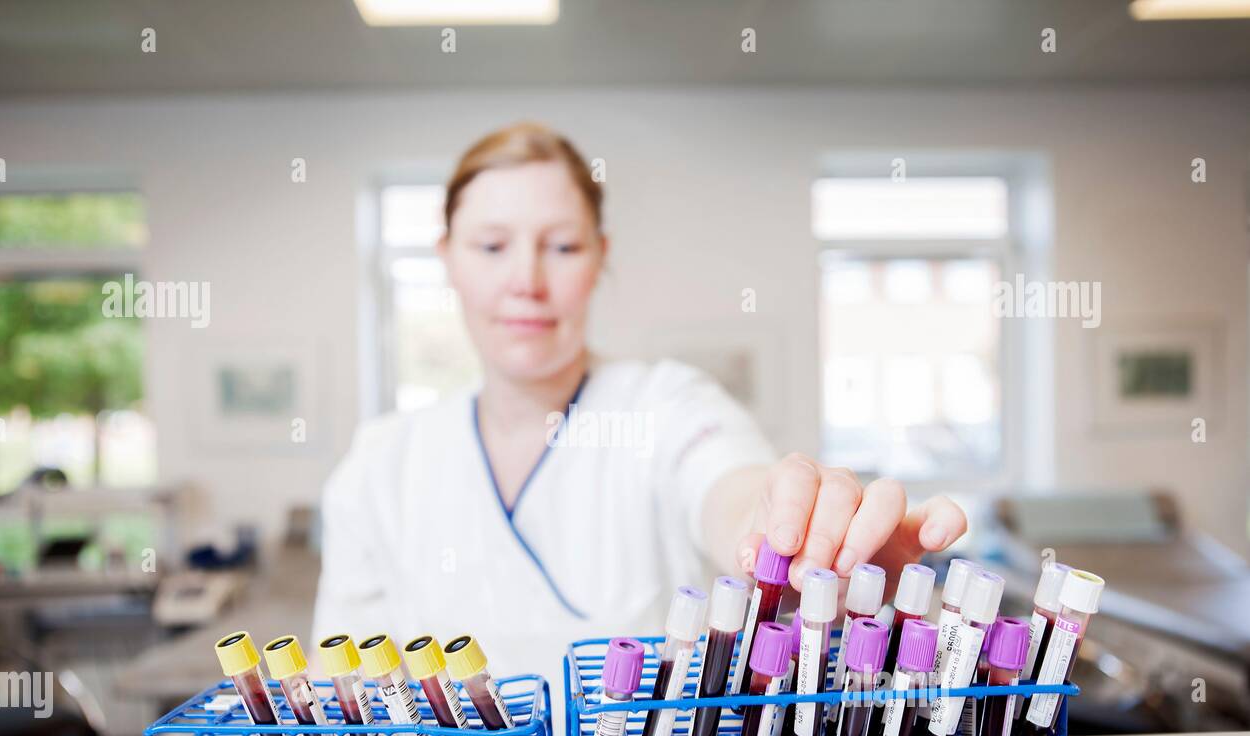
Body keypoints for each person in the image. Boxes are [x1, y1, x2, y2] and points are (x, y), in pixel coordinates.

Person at [312, 121, 966, 678]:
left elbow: (731, 491)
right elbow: (341, 682)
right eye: (490, 246)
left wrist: (788, 536)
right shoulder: (382, 463)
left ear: (600, 257)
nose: (525, 281)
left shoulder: (667, 406)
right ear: (447, 258)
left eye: (563, 246)